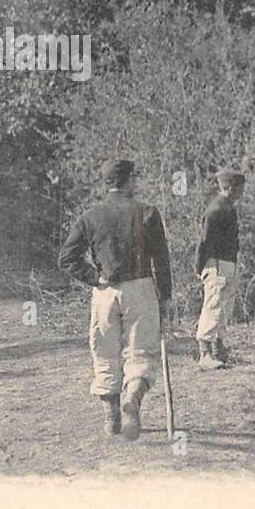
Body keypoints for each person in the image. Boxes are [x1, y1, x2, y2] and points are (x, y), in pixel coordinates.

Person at [58, 159, 172, 439]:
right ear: (129, 179)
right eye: (136, 177)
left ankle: (111, 420)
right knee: (140, 351)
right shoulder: (148, 213)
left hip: (105, 292)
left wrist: (93, 277)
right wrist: (166, 296)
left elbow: (66, 258)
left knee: (105, 353)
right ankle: (131, 396)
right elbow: (161, 259)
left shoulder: (91, 216)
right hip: (141, 288)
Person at [194, 168, 246, 370]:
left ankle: (218, 350)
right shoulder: (217, 209)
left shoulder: (226, 206)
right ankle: (205, 353)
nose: (242, 192)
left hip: (225, 262)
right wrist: (201, 266)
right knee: (213, 305)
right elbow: (205, 241)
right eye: (241, 188)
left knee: (223, 307)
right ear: (231, 188)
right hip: (215, 263)